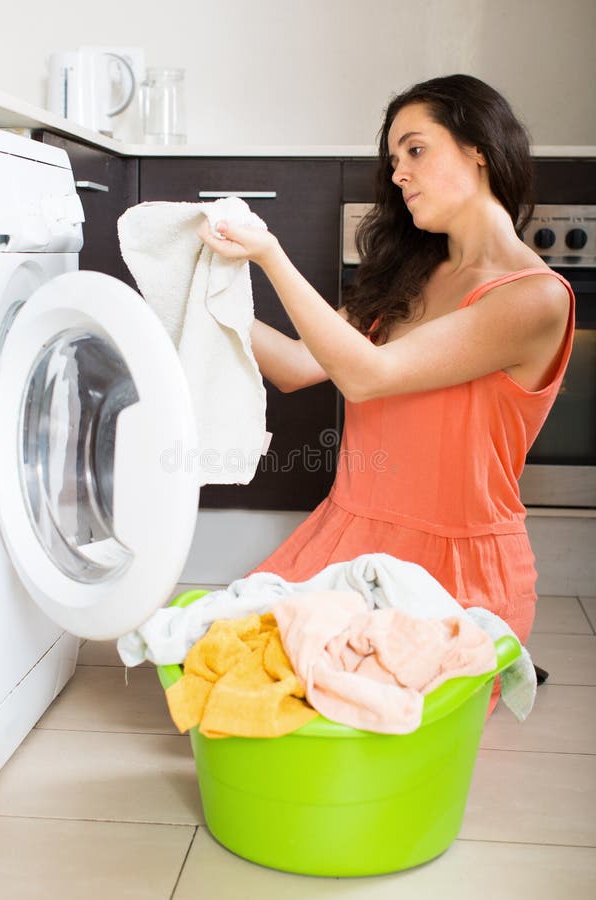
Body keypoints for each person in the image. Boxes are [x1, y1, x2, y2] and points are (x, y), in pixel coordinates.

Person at [198, 74, 574, 708]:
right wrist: (194, 301)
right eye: (393, 160)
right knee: (220, 677)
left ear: (478, 148)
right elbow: (295, 364)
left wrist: (270, 257)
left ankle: (490, 651)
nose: (399, 174)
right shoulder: (411, 274)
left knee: (327, 711)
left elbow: (367, 374)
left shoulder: (532, 297)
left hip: (452, 571)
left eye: (416, 150)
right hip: (343, 539)